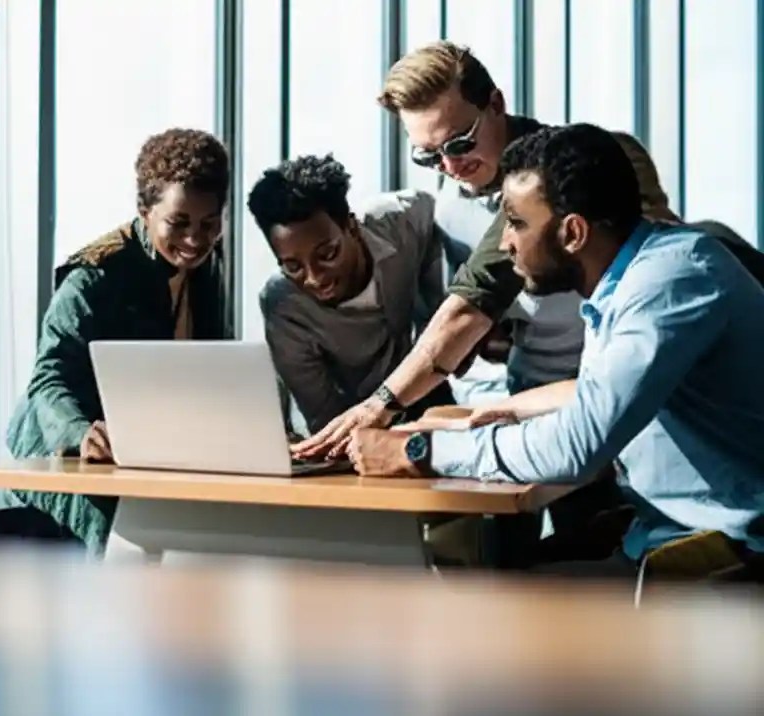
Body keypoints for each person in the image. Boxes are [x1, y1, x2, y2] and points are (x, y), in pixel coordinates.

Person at [346, 123, 764, 576]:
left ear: (573, 233)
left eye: (517, 222)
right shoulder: (636, 275)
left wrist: (420, 451)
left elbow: (576, 447)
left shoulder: (669, 282)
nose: (505, 242)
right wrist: (485, 415)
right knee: (490, 578)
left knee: (480, 608)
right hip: (660, 529)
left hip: (727, 551)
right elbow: (596, 390)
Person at [292, 42, 676, 461]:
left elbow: (470, 304)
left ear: (495, 103)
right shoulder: (453, 193)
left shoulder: (563, 175)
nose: (451, 166)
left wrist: (379, 403)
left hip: (596, 404)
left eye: (459, 143)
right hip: (501, 405)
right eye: (428, 155)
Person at [0, 128, 232, 554]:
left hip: (141, 453)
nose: (194, 240)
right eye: (178, 223)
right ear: (144, 210)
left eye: (209, 224)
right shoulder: (94, 274)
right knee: (118, 535)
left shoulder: (209, 270)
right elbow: (49, 379)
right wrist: (79, 431)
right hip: (67, 454)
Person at [248, 154, 453, 434]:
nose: (314, 277)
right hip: (355, 424)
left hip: (433, 396)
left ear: (352, 226)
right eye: (292, 266)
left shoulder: (405, 220)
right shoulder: (284, 306)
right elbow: (324, 419)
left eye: (327, 254)